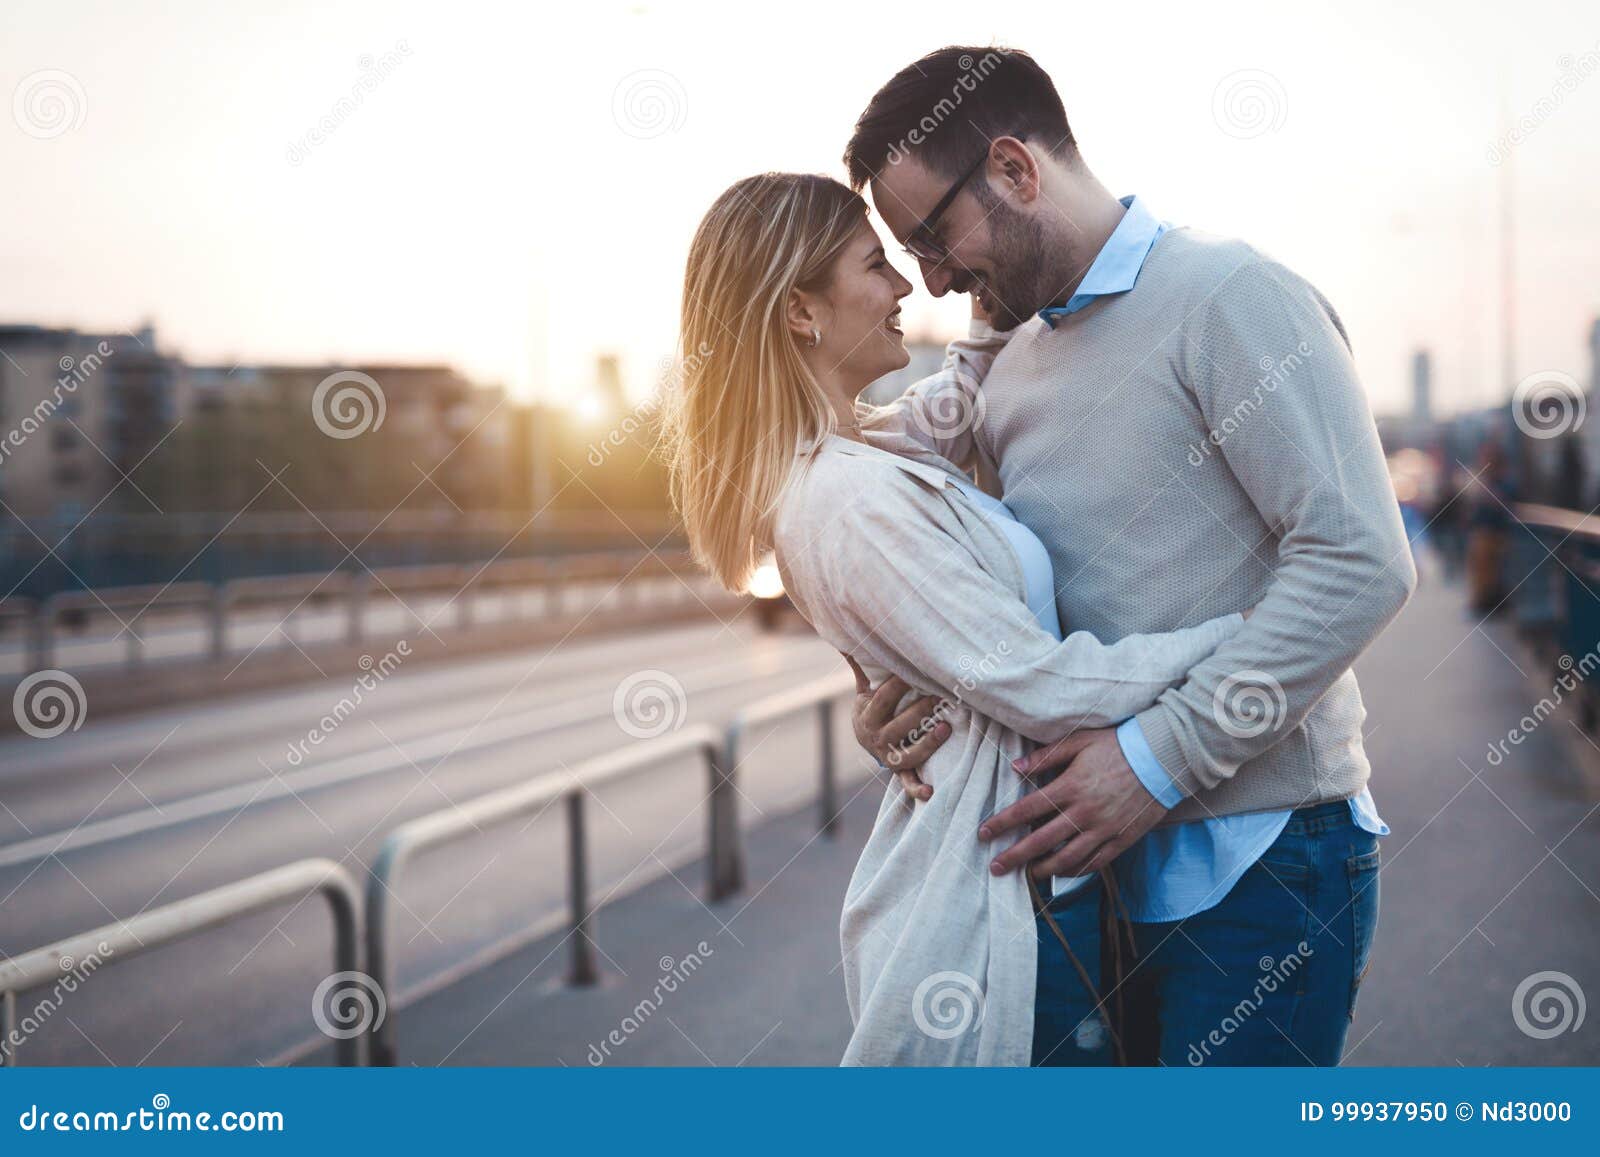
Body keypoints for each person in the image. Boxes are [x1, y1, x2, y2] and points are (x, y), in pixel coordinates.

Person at [840, 46, 1414, 1066]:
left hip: (1266, 858)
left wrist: (1154, 763)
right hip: (1088, 874)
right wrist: (896, 696)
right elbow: (980, 582)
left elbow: (1358, 559)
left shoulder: (1232, 294)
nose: (928, 278)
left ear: (1016, 170)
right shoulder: (1003, 358)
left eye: (932, 235)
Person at [662, 171, 1248, 1064]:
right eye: (875, 267)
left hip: (1037, 875)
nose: (906, 287)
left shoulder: (865, 448)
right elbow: (1041, 688)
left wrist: (997, 274)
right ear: (799, 312)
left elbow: (959, 394)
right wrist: (1242, 635)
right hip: (1009, 903)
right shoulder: (845, 498)